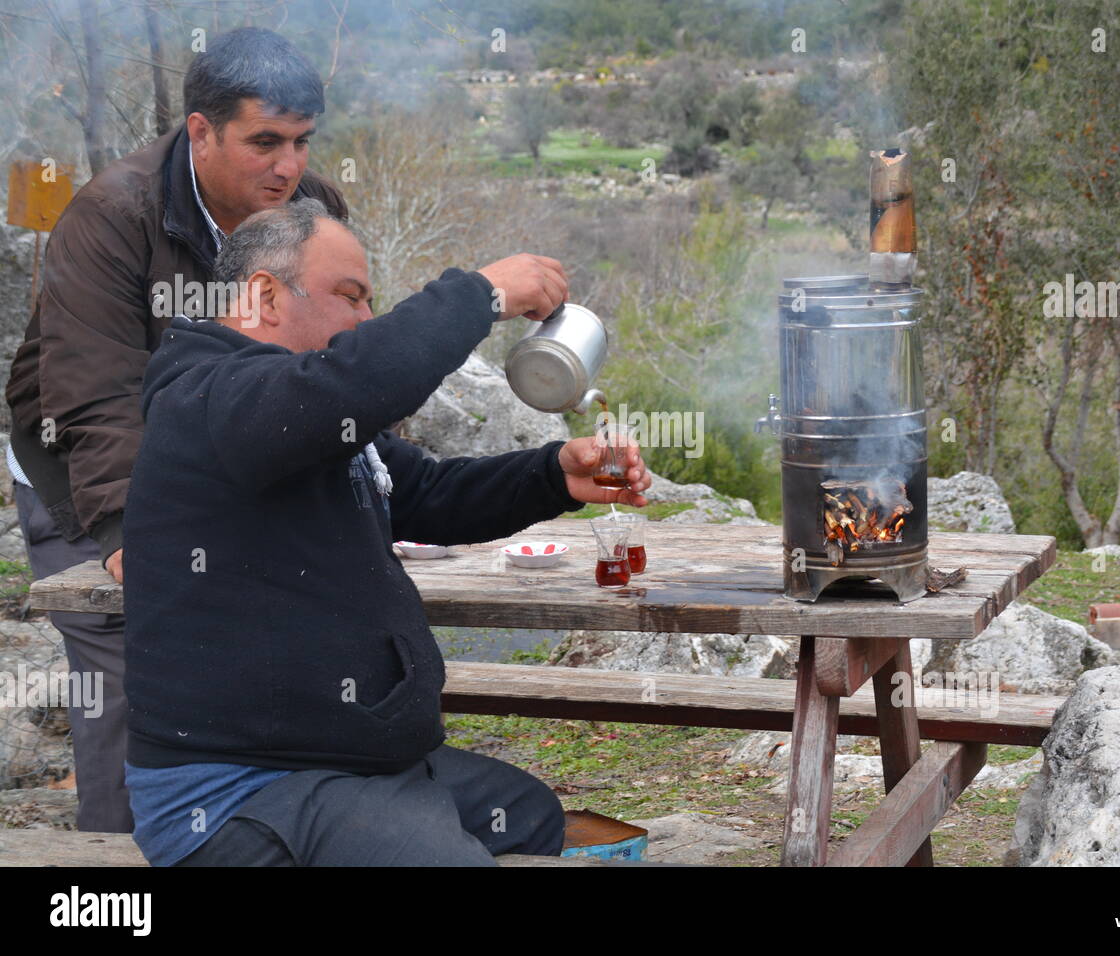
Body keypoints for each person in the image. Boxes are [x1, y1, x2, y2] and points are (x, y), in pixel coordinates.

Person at [122, 197, 651, 866]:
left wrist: (552, 476)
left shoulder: (306, 421)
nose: (364, 321)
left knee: (533, 819)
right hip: (241, 790)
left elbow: (428, 493)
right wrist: (482, 294)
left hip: (353, 764)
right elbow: (358, 379)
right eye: (350, 297)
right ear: (264, 297)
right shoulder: (211, 399)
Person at [4, 27, 348, 833]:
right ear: (200, 130)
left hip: (221, 468)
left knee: (272, 655)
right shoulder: (111, 216)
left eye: (301, 142)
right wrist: (129, 533)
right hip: (81, 471)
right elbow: (91, 396)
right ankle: (118, 870)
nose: (288, 166)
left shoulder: (313, 213)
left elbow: (340, 360)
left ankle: (248, 838)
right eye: (264, 141)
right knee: (134, 666)